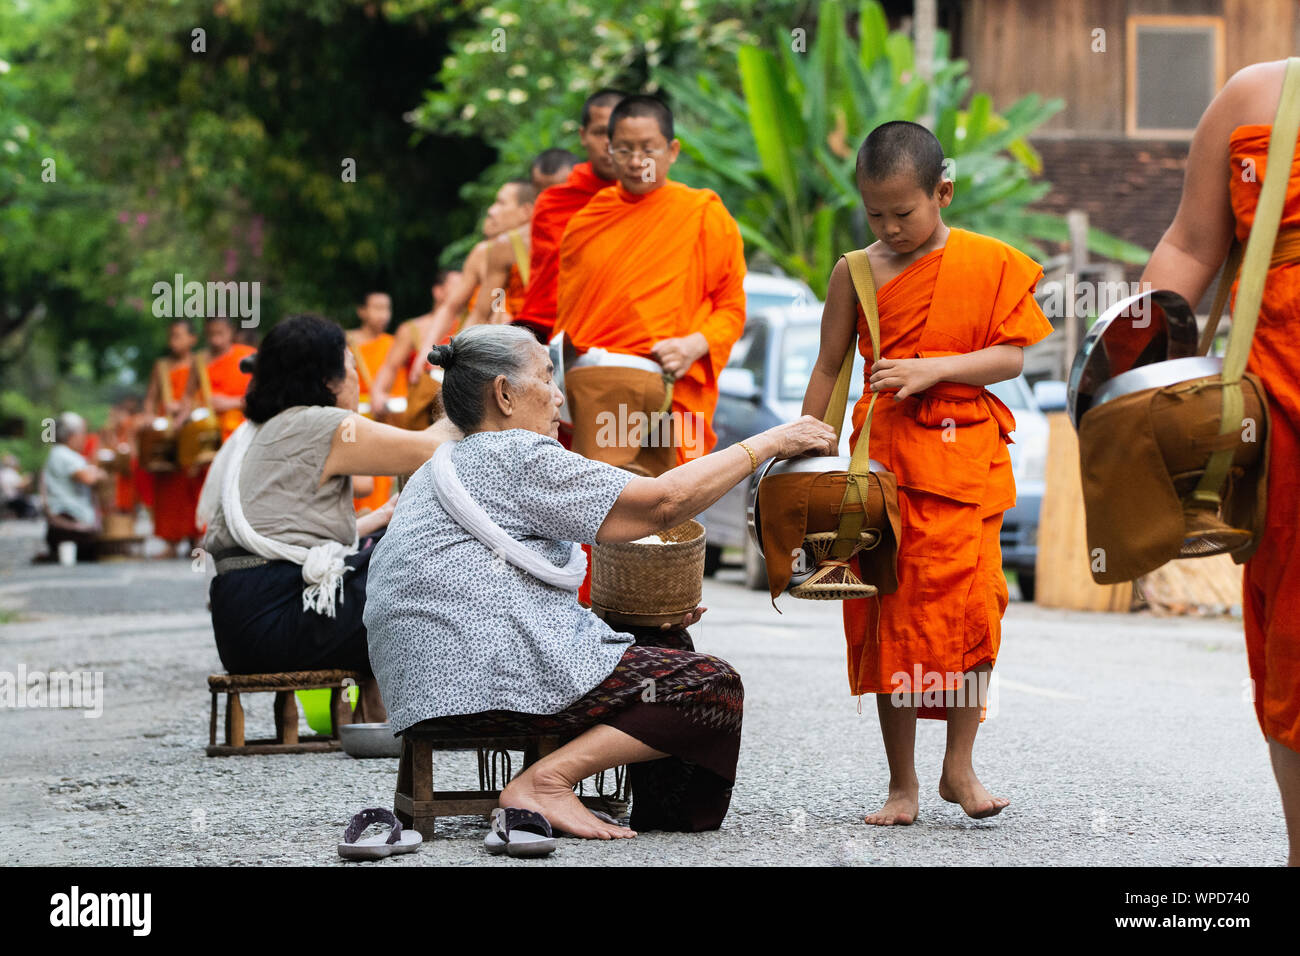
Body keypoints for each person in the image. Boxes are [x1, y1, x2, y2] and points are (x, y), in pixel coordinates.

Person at [364, 324, 836, 837]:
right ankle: (546, 783)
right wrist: (770, 442)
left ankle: (654, 815)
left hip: (426, 690)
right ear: (503, 394)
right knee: (710, 685)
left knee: (666, 640)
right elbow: (662, 503)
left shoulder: (442, 466)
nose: (560, 397)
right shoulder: (514, 453)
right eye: (547, 378)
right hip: (480, 683)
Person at [799, 121, 1053, 826]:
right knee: (889, 624)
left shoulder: (987, 261)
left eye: (903, 213)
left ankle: (959, 769)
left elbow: (1010, 358)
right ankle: (902, 784)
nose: (889, 227)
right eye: (874, 213)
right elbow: (828, 364)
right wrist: (801, 449)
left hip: (965, 465)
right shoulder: (855, 270)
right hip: (884, 467)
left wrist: (933, 369)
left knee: (976, 617)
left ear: (942, 192)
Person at [1139, 59, 1300, 866]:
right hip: (1278, 420)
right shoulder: (1254, 97)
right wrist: (1129, 373)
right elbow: (1191, 246)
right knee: (1293, 645)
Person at [199, 314, 459, 719]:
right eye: (352, 365)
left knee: (386, 537)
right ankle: (454, 708)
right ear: (329, 380)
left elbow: (297, 529)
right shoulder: (320, 424)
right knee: (429, 549)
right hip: (280, 618)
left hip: (243, 625)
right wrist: (463, 383)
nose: (358, 376)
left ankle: (385, 707)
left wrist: (381, 518)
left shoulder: (264, 428)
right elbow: (434, 445)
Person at [555, 94, 747, 472]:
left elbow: (732, 306)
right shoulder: (587, 222)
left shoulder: (703, 214)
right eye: (623, 150)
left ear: (672, 151)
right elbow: (570, 320)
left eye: (649, 149)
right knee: (603, 504)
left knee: (676, 505)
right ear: (608, 151)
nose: (636, 161)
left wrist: (693, 345)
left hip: (677, 382)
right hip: (600, 386)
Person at [515, 89, 625, 346]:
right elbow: (547, 290)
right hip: (557, 339)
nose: (609, 144)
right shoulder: (554, 203)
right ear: (583, 136)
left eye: (617, 134)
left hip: (627, 340)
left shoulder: (653, 201)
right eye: (600, 132)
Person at [369, 270, 459, 428]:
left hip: (458, 409)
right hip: (421, 410)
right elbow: (390, 366)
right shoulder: (412, 329)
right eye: (458, 285)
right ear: (438, 291)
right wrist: (378, 393)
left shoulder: (472, 323)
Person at [144, 319, 202, 554]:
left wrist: (185, 408)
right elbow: (150, 398)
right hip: (167, 431)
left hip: (190, 428)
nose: (174, 341)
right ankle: (171, 540)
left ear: (192, 339)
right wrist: (148, 416)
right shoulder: (161, 367)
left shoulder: (200, 363)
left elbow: (203, 395)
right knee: (169, 485)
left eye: (179, 336)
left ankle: (196, 538)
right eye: (171, 336)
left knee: (194, 483)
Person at [346, 291, 398, 514]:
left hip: (381, 420)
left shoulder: (393, 344)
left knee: (379, 477)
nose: (383, 314)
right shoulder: (345, 342)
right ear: (362, 311)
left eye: (386, 308)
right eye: (377, 308)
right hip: (352, 419)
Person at [459, 180, 537, 330]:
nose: (491, 211)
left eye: (501, 203)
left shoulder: (545, 247)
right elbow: (483, 312)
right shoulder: (485, 251)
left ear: (526, 211)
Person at [38, 413, 107, 562]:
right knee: (101, 547)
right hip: (68, 524)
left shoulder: (64, 454)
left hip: (68, 523)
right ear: (72, 435)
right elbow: (88, 478)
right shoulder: (62, 454)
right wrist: (99, 473)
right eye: (82, 433)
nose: (84, 437)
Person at [185, 315, 256, 441]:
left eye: (220, 334)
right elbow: (188, 397)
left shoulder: (248, 356)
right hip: (207, 429)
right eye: (211, 335)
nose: (215, 340)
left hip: (245, 427)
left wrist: (230, 402)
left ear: (231, 331)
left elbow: (265, 395)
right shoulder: (200, 362)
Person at [1, 453, 37, 520]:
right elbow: (20, 485)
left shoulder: (4, 472)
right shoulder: (9, 472)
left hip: (9, 499)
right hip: (13, 499)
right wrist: (28, 479)